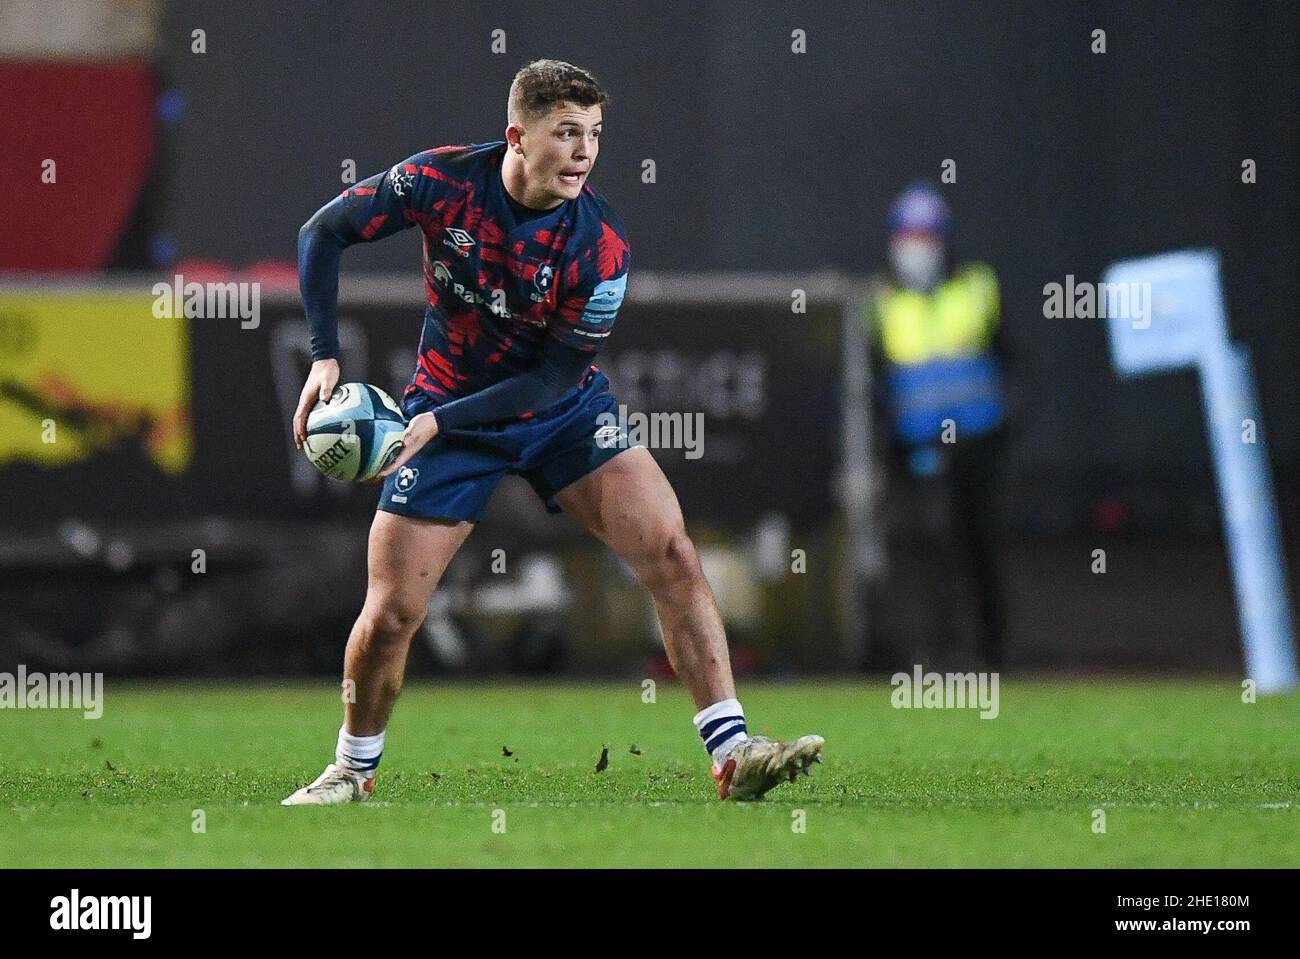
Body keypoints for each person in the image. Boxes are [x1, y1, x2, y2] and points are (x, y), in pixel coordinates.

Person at [283, 60, 823, 804]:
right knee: (391, 613)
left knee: (671, 551)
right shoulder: (441, 183)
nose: (583, 152)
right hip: (450, 409)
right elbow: (323, 232)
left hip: (557, 413)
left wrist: (437, 419)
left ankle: (733, 753)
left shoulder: (600, 244)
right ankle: (353, 767)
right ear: (516, 136)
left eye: (594, 135)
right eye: (566, 133)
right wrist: (323, 355)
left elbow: (552, 379)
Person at [868, 182, 1010, 668]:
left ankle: (992, 650)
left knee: (977, 544)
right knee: (927, 547)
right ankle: (936, 649)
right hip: (917, 449)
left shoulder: (977, 289)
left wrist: (1005, 428)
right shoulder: (883, 302)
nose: (917, 247)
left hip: (977, 447)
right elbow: (878, 382)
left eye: (926, 235)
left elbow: (1011, 363)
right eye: (908, 235)